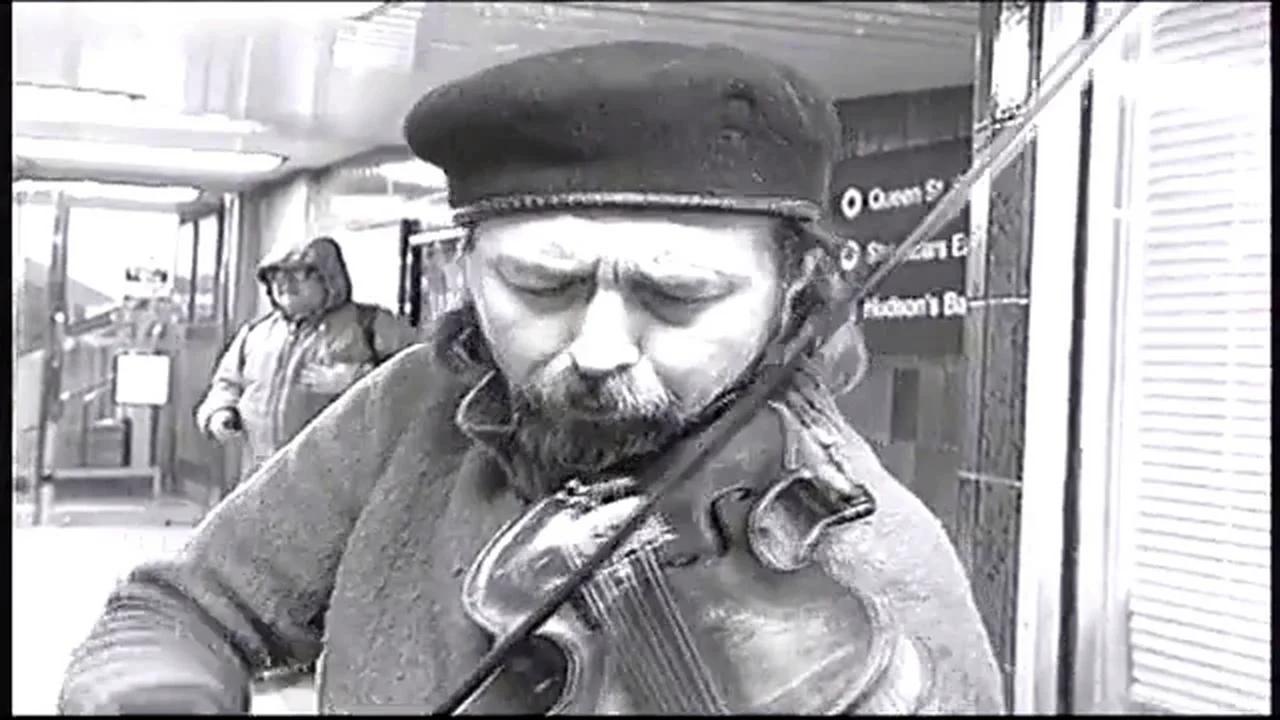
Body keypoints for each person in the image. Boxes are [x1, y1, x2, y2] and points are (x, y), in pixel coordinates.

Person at [60, 41, 1004, 714]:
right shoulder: (422, 400)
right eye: (541, 283)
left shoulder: (876, 572)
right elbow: (183, 605)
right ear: (467, 266)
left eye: (675, 297)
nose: (597, 349)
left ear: (795, 287)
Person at [195, 235, 419, 487]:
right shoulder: (255, 334)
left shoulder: (371, 325)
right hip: (260, 479)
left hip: (340, 485)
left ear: (328, 277)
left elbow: (421, 376)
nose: (285, 283)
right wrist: (219, 413)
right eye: (276, 276)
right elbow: (226, 384)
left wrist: (358, 378)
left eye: (298, 274)